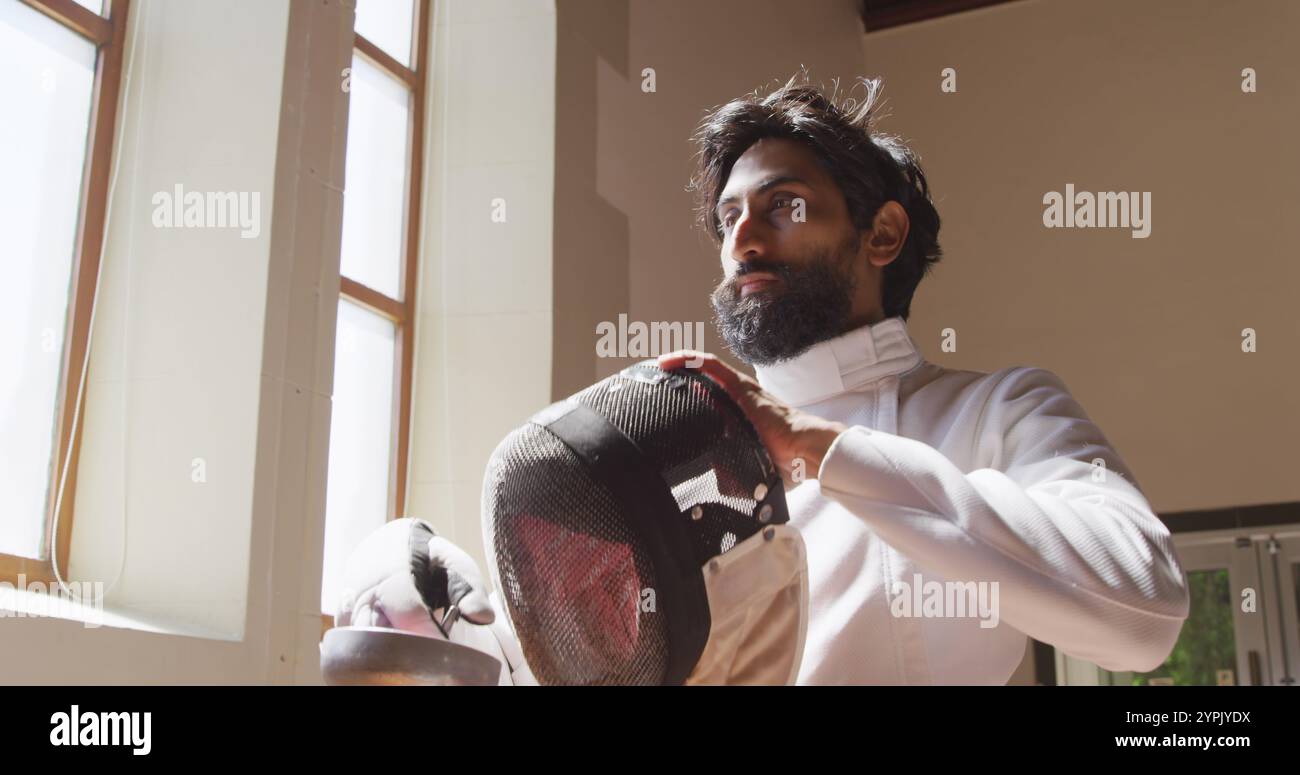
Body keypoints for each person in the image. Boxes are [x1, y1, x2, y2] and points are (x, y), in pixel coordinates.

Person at [334, 74, 1189, 685]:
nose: (744, 239)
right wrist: (459, 645)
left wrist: (815, 446)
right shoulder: (683, 446)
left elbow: (1143, 612)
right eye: (730, 216)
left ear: (882, 235)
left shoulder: (997, 408)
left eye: (784, 207)